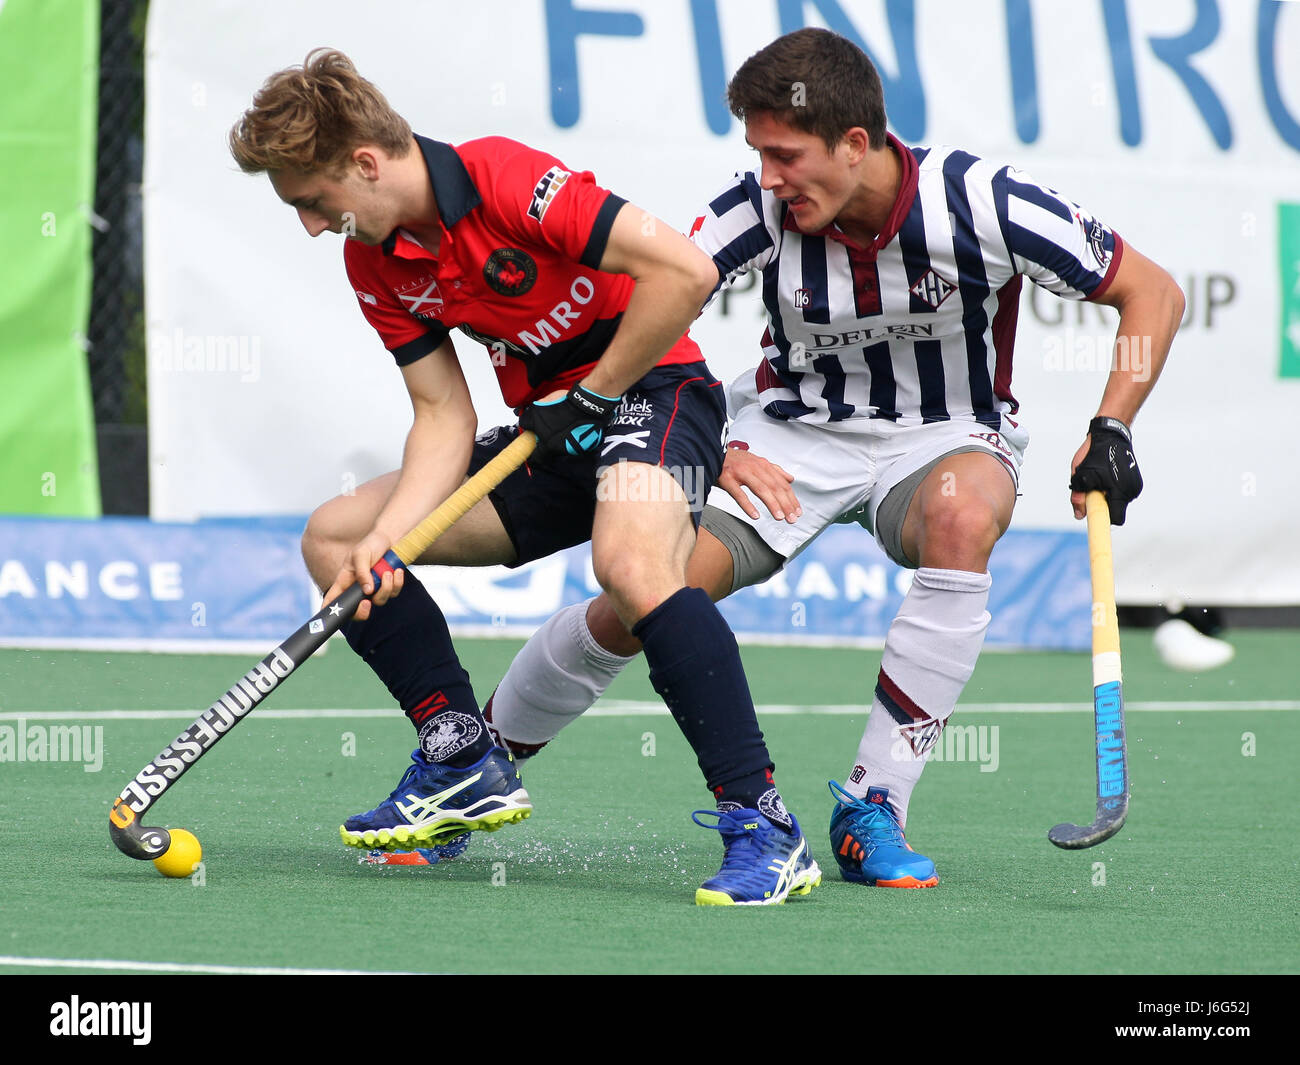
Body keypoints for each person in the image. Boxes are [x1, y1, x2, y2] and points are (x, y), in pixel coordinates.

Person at [484, 27, 1183, 888]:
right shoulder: (759, 209)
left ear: (858, 143)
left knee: (964, 515)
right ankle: (477, 766)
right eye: (759, 157)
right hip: (792, 429)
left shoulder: (983, 200)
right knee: (648, 589)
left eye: (786, 156)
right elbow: (660, 300)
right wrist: (708, 436)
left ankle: (872, 806)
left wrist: (1113, 424)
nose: (770, 179)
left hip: (946, 433)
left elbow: (1149, 289)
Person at [227, 49, 820, 906]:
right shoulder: (378, 263)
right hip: (548, 436)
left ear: (363, 163)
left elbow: (684, 275)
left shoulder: (504, 179)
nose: (316, 228)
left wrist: (595, 392)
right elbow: (442, 415)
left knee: (631, 567)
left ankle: (763, 823)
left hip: (655, 393)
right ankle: (462, 754)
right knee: (340, 540)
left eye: (314, 203)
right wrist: (388, 545)